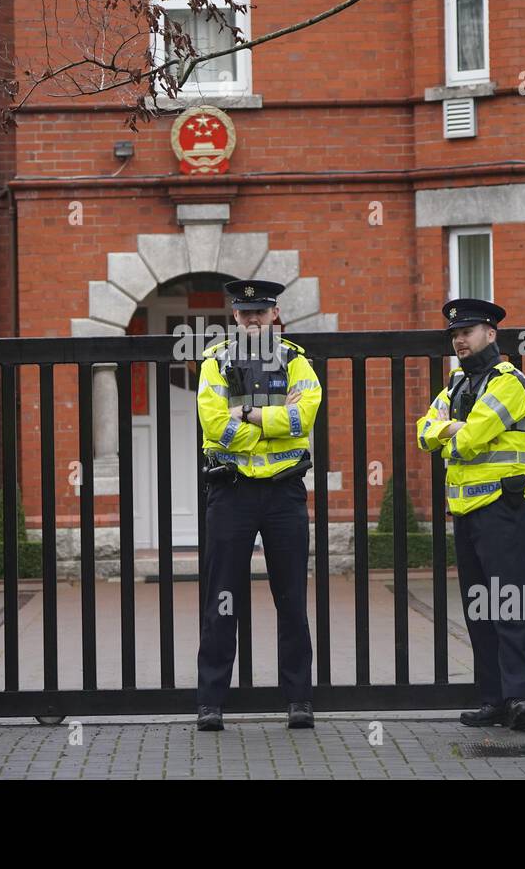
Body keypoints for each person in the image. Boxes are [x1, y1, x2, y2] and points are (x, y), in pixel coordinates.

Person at [194, 279, 323, 731]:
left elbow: (302, 417)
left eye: (260, 311)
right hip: (231, 491)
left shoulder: (296, 361)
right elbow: (212, 425)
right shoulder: (215, 361)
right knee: (221, 599)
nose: (252, 319)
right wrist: (271, 424)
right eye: (244, 312)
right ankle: (210, 703)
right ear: (234, 316)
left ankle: (299, 701)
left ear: (274, 315)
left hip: (284, 492)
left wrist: (245, 416)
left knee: (290, 599)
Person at [416, 298, 525, 731]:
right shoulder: (454, 384)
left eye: (466, 332)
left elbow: (470, 439)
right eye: (454, 335)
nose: (459, 341)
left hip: (501, 507)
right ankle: (492, 700)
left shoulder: (510, 382)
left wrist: (450, 429)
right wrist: (452, 430)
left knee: (508, 602)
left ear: (491, 334)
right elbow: (421, 433)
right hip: (465, 509)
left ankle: (519, 697)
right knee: (479, 608)